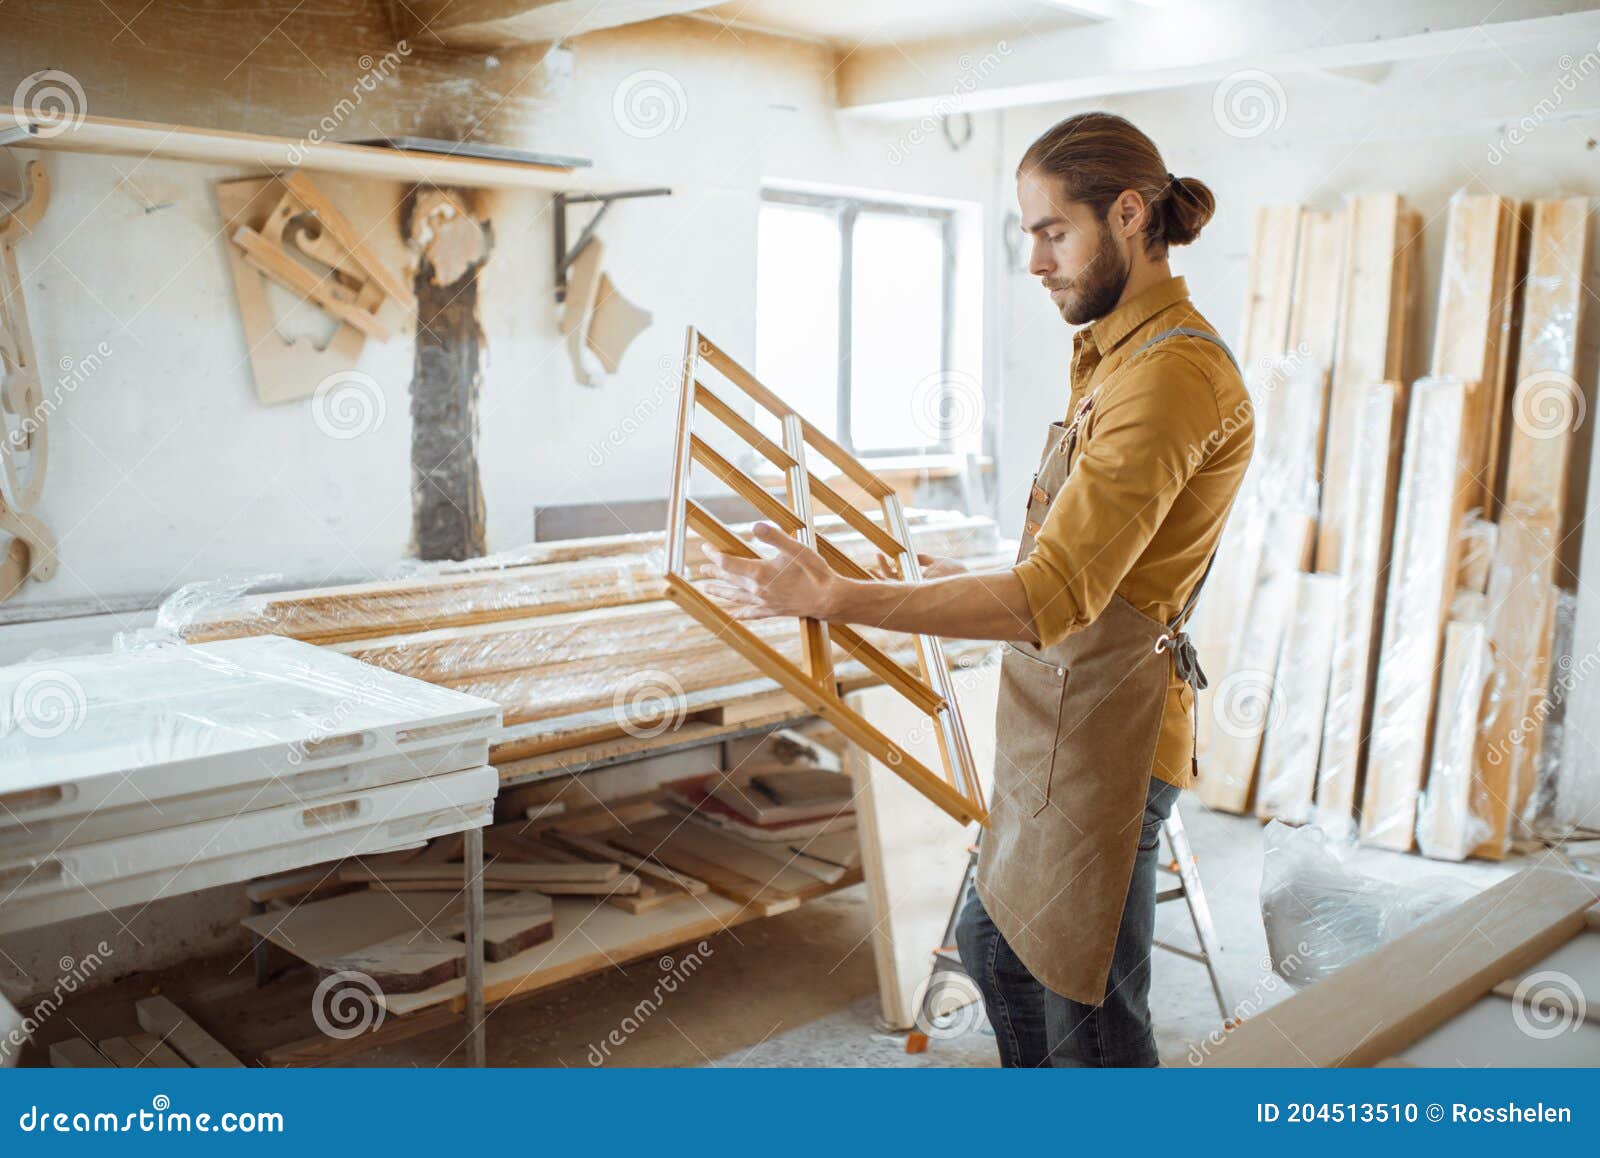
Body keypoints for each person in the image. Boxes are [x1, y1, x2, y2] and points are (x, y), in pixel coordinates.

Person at [700, 111, 1254, 1067]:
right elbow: (1084, 557)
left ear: (1129, 215)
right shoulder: (1117, 354)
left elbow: (1050, 598)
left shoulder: (1169, 376)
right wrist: (933, 578)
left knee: (1090, 1020)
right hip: (1061, 719)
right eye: (1028, 235)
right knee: (997, 951)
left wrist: (833, 599)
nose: (1035, 262)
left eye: (1053, 233)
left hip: (1110, 739)